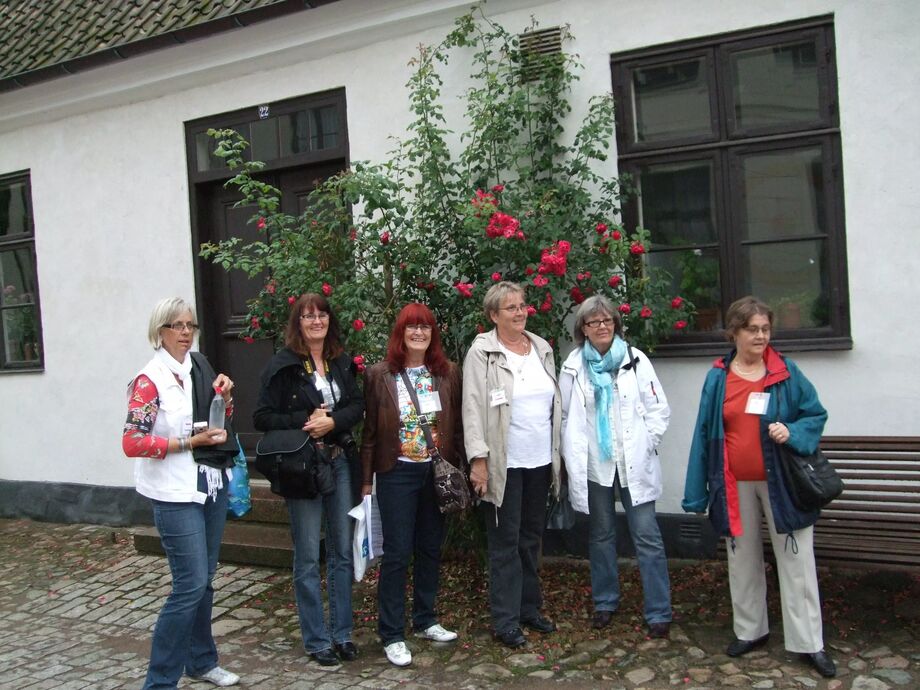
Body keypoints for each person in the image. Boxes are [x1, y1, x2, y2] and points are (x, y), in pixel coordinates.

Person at [682, 296, 835, 678]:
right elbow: (705, 433)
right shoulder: (718, 376)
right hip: (734, 483)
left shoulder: (786, 371)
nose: (761, 336)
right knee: (742, 559)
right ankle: (750, 631)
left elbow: (814, 414)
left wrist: (793, 431)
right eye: (752, 329)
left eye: (766, 329)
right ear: (734, 331)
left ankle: (808, 642)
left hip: (784, 482)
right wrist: (697, 490)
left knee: (796, 561)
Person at [123, 297, 240, 689]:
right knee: (189, 584)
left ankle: (202, 661)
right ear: (160, 332)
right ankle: (159, 681)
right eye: (177, 326)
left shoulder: (200, 366)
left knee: (204, 580)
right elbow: (133, 442)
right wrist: (187, 443)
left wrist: (225, 396)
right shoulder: (149, 380)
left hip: (210, 483)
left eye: (190, 325)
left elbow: (217, 420)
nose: (186, 332)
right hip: (174, 493)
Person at [253, 293, 364, 666]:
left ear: (329, 320)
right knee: (305, 556)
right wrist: (305, 420)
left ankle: (343, 633)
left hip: (339, 462)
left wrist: (333, 422)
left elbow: (357, 405)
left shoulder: (340, 361)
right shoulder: (282, 367)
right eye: (308, 316)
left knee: (342, 551)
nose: (316, 321)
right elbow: (262, 418)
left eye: (321, 315)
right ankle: (317, 639)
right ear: (297, 323)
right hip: (303, 467)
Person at [559, 295, 672, 638]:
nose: (602, 327)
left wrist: (648, 441)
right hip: (596, 465)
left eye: (607, 320)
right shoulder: (573, 366)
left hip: (633, 461)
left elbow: (657, 409)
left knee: (647, 536)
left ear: (616, 325)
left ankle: (658, 611)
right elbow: (564, 415)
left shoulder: (636, 360)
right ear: (583, 329)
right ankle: (605, 602)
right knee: (602, 535)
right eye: (594, 322)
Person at [360, 303, 463, 666]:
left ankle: (425, 619)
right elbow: (370, 432)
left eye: (425, 328)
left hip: (434, 473)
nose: (418, 333)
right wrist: (366, 482)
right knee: (398, 553)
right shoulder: (379, 375)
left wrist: (461, 468)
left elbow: (458, 427)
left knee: (431, 547)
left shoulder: (448, 372)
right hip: (396, 472)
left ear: (433, 334)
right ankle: (391, 633)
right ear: (400, 334)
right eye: (411, 328)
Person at [462, 281, 562, 649]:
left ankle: (529, 609)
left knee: (531, 539)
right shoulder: (482, 352)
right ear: (493, 315)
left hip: (539, 460)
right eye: (511, 308)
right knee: (504, 541)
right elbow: (471, 408)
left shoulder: (542, 348)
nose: (520, 313)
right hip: (504, 464)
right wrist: (479, 460)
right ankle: (505, 620)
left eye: (522, 306)